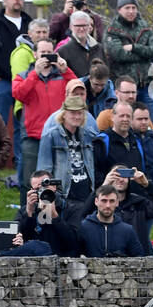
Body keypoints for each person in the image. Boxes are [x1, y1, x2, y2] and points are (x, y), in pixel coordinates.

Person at [12, 39, 72, 194]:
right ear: (34, 54)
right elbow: (18, 94)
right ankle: (27, 215)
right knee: (29, 182)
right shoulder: (24, 75)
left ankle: (54, 215)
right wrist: (35, 74)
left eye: (49, 52)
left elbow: (78, 92)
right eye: (42, 53)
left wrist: (66, 71)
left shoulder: (62, 74)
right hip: (33, 136)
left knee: (57, 181)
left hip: (58, 134)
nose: (46, 56)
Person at [37, 89, 104, 227]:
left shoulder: (89, 136)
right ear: (64, 113)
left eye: (80, 112)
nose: (76, 116)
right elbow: (44, 172)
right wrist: (48, 200)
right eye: (72, 112)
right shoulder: (50, 136)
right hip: (64, 196)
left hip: (86, 196)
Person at [0, 171, 78, 256]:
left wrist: (55, 216)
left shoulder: (70, 208)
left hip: (62, 260)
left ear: (54, 186)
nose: (42, 191)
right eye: (37, 189)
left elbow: (73, 243)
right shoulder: (25, 210)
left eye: (44, 187)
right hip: (33, 261)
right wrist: (29, 212)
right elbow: (19, 239)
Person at [103, 0, 153, 95]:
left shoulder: (145, 27)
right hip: (123, 88)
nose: (131, 11)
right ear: (119, 9)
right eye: (127, 8)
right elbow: (118, 54)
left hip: (145, 85)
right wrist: (146, 56)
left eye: (134, 8)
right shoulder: (112, 30)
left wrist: (135, 48)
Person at [0, 0, 32, 138]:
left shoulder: (29, 23)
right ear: (5, 1)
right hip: (2, 81)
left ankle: (20, 162)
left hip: (25, 82)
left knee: (22, 125)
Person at [77, 183, 148, 257]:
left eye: (112, 201)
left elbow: (139, 257)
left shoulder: (127, 230)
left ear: (117, 202)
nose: (108, 205)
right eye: (104, 201)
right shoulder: (83, 227)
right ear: (96, 201)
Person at [56, 10, 108, 82]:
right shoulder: (63, 51)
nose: (81, 28)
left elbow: (106, 72)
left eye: (84, 25)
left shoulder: (99, 48)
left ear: (89, 26)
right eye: (78, 26)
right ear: (71, 27)